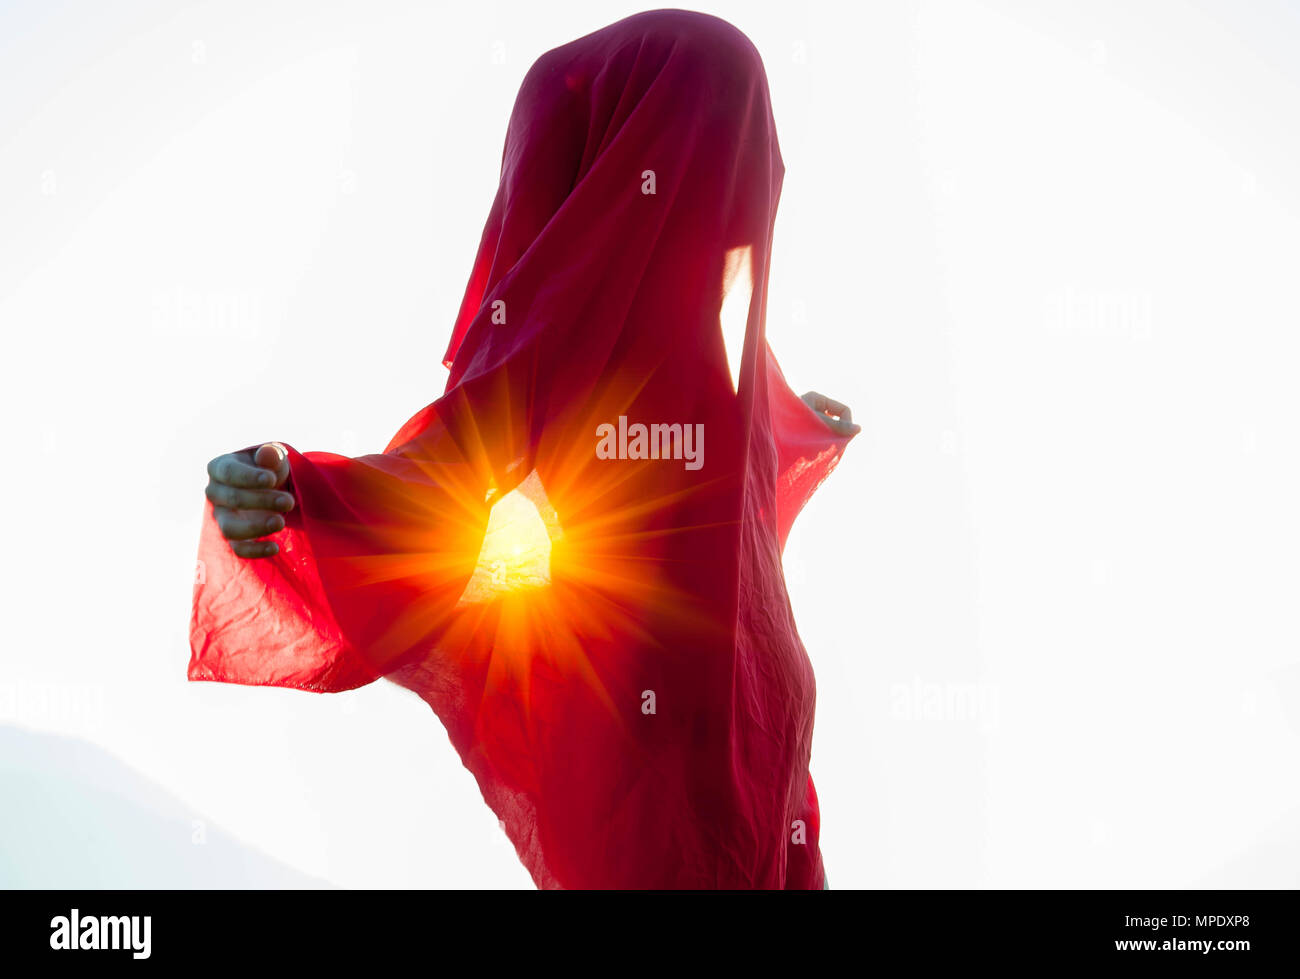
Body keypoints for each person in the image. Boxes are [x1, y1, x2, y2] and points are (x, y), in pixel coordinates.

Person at [192, 9, 858, 889]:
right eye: (722, 138)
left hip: (770, 827)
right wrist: (289, 498)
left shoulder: (726, 375)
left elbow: (725, 491)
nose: (746, 189)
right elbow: (452, 496)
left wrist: (796, 427)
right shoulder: (554, 365)